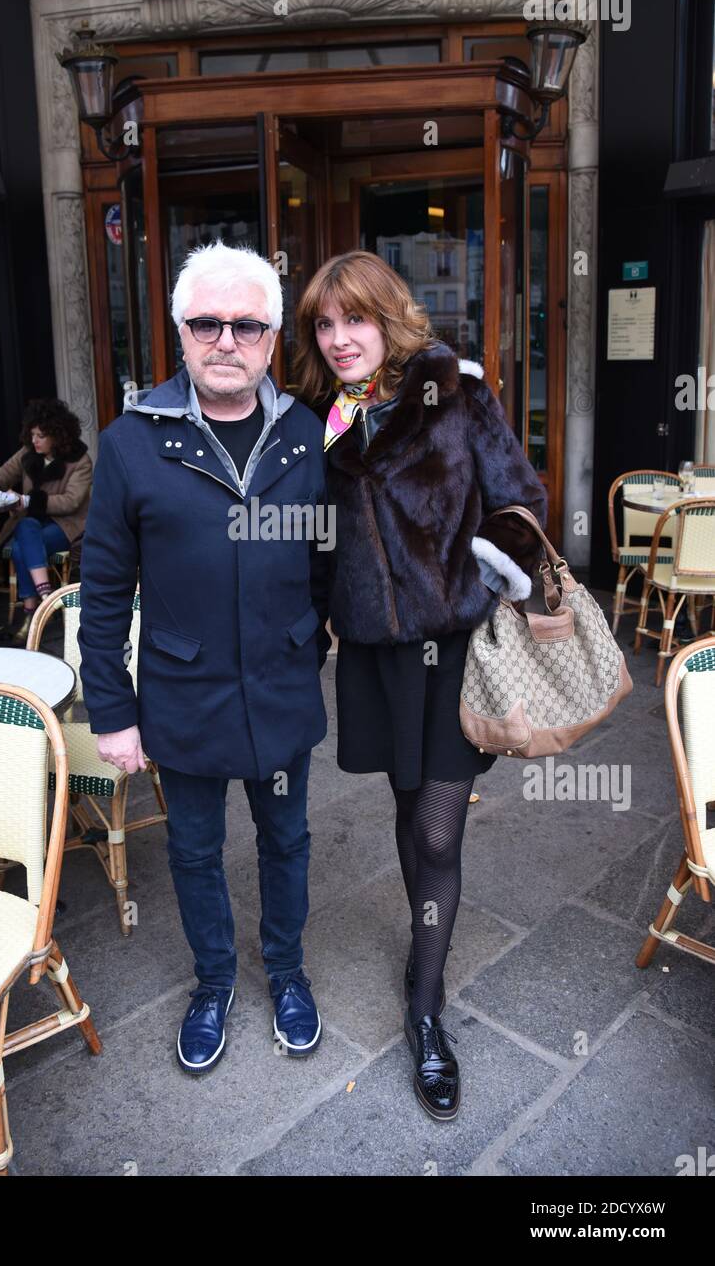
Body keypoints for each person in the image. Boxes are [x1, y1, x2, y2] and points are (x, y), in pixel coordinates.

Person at [294, 250, 548, 1121]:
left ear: (389, 318)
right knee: (408, 809)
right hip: (372, 655)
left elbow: (520, 501)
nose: (337, 339)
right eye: (324, 325)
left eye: (353, 319)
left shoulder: (457, 394)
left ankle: (425, 1008)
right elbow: (320, 543)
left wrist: (491, 571)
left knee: (438, 831)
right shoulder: (323, 421)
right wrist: (308, 623)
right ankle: (426, 945)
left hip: (452, 649)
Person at [77, 239, 332, 1076]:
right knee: (191, 850)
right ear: (180, 333)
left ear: (270, 339)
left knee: (285, 841)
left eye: (246, 325)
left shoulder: (308, 433)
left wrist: (313, 636)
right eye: (206, 323)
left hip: (282, 689)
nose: (226, 340)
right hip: (181, 696)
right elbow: (105, 589)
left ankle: (287, 975)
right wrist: (112, 711)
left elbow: (327, 561)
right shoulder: (130, 442)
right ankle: (213, 982)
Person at [0, 398, 91, 643]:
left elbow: (71, 502)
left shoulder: (80, 460)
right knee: (25, 530)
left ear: (58, 435)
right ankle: (45, 598)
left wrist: (26, 501)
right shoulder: (28, 452)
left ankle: (31, 611)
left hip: (68, 525)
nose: (34, 440)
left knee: (20, 544)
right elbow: (3, 474)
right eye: (32, 434)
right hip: (32, 523)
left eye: (41, 435)